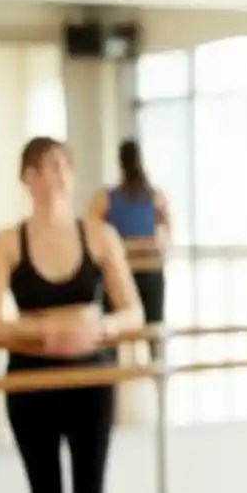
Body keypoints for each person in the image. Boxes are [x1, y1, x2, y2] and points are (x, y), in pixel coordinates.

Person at [0, 137, 144, 493]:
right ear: (25, 179)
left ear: (71, 175)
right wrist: (45, 330)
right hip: (31, 386)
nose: (51, 177)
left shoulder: (99, 236)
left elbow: (134, 313)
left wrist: (97, 327)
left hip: (90, 383)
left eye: (59, 167)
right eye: (40, 169)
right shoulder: (5, 243)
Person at [86, 139, 171, 359]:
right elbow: (168, 229)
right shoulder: (153, 196)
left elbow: (90, 228)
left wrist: (121, 246)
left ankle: (115, 371)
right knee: (153, 331)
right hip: (141, 271)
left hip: (124, 272)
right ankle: (157, 374)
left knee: (117, 333)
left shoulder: (108, 198)